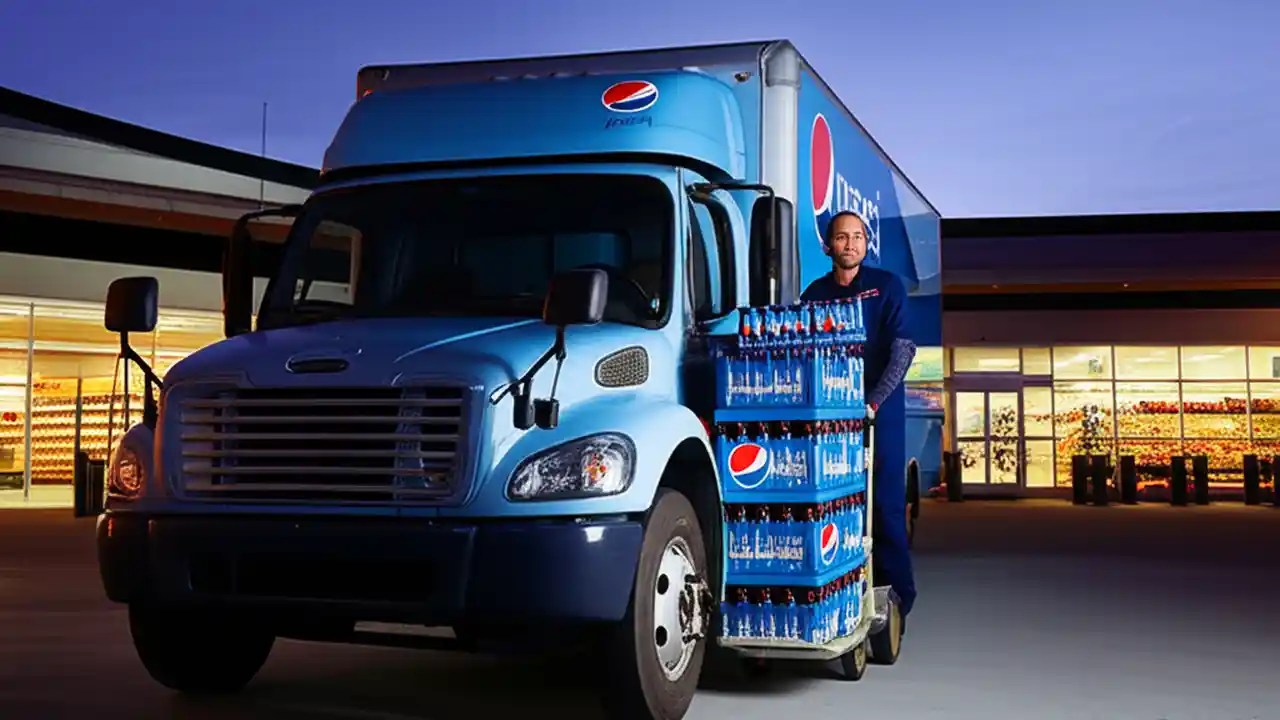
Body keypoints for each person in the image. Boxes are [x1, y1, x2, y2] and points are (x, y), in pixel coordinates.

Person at [801, 209, 918, 623]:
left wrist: (872, 403)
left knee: (883, 508)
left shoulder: (887, 287)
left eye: (857, 237)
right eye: (841, 237)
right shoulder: (814, 296)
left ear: (866, 244)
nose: (850, 244)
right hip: (830, 422)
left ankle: (898, 597)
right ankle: (842, 595)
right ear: (827, 245)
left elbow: (903, 352)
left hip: (878, 416)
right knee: (836, 508)